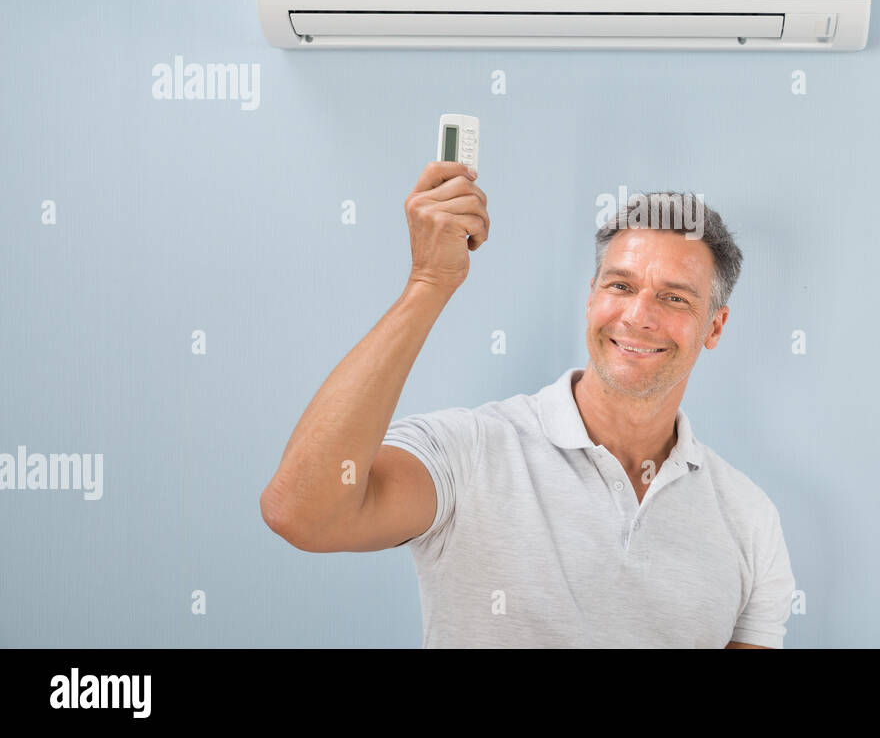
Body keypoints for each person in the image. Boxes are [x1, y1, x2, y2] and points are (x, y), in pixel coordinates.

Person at [260, 161, 795, 648]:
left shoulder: (749, 518)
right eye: (620, 285)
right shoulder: (467, 453)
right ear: (591, 298)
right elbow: (302, 514)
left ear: (714, 327)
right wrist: (429, 282)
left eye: (675, 297)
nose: (639, 315)